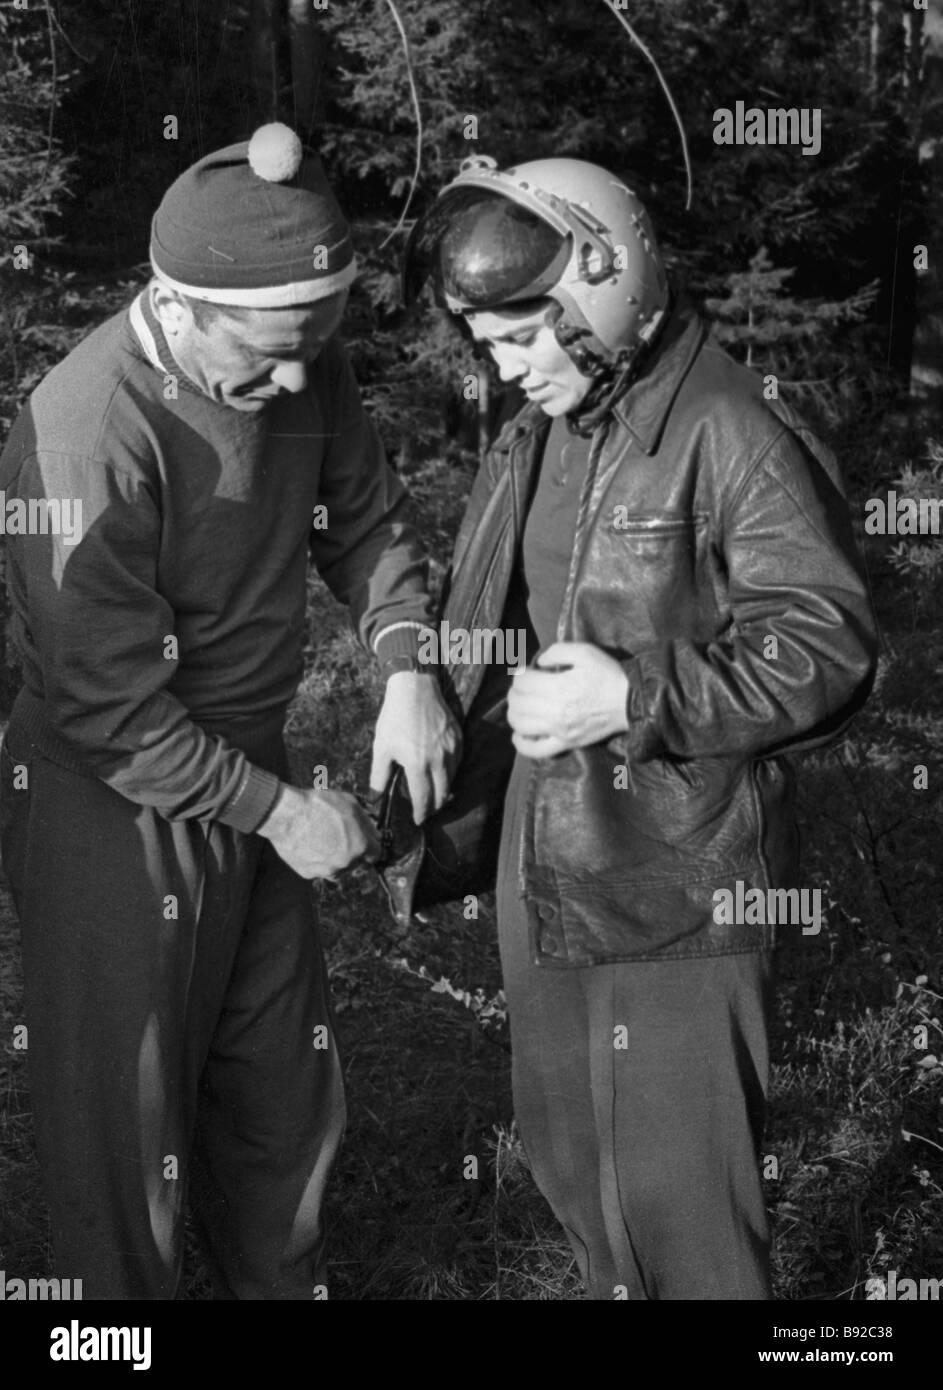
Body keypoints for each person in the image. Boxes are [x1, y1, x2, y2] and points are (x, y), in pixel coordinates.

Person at [403, 153, 878, 1299]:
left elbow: (829, 646)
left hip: (675, 875)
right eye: (489, 346)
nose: (504, 369)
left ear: (602, 296)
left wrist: (632, 697)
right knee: (576, 1168)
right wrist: (416, 679)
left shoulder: (727, 425)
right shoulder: (545, 428)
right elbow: (500, 603)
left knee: (686, 1216)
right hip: (548, 856)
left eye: (522, 337)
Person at [0, 123, 459, 1300]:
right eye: (269, 355)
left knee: (278, 1105)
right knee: (125, 1151)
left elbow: (365, 520)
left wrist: (407, 664)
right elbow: (108, 707)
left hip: (252, 784)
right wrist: (278, 813)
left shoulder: (300, 355)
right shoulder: (86, 427)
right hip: (113, 806)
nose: (298, 380)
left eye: (319, 344)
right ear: (179, 303)